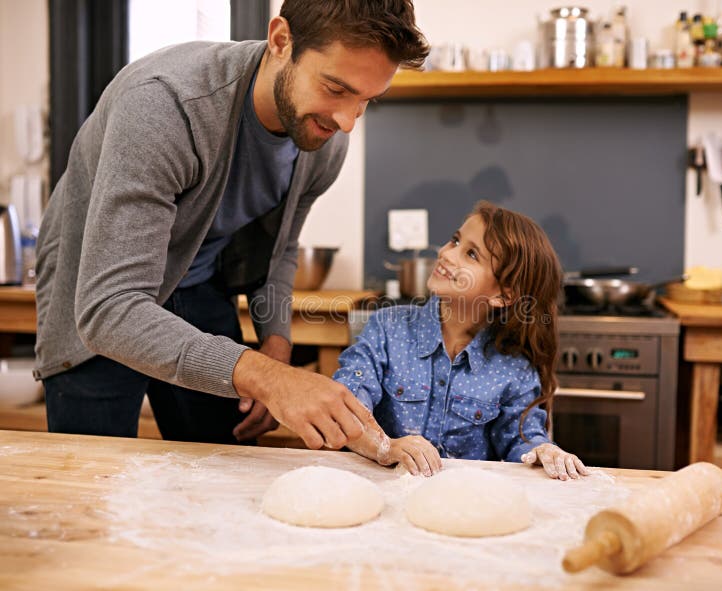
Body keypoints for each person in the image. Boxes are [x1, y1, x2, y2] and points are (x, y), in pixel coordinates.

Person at [34, 1, 429, 448]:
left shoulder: (324, 140)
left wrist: (275, 348)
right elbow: (109, 309)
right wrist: (266, 378)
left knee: (225, 464)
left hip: (199, 283)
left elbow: (280, 250)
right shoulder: (165, 105)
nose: (346, 122)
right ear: (281, 41)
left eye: (366, 101)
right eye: (336, 88)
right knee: (93, 482)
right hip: (99, 292)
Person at [333, 201, 589, 480]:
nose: (446, 254)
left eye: (471, 254)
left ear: (503, 295)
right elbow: (345, 408)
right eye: (455, 240)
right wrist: (386, 447)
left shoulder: (514, 368)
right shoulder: (387, 327)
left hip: (464, 510)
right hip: (382, 495)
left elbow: (523, 441)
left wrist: (543, 451)